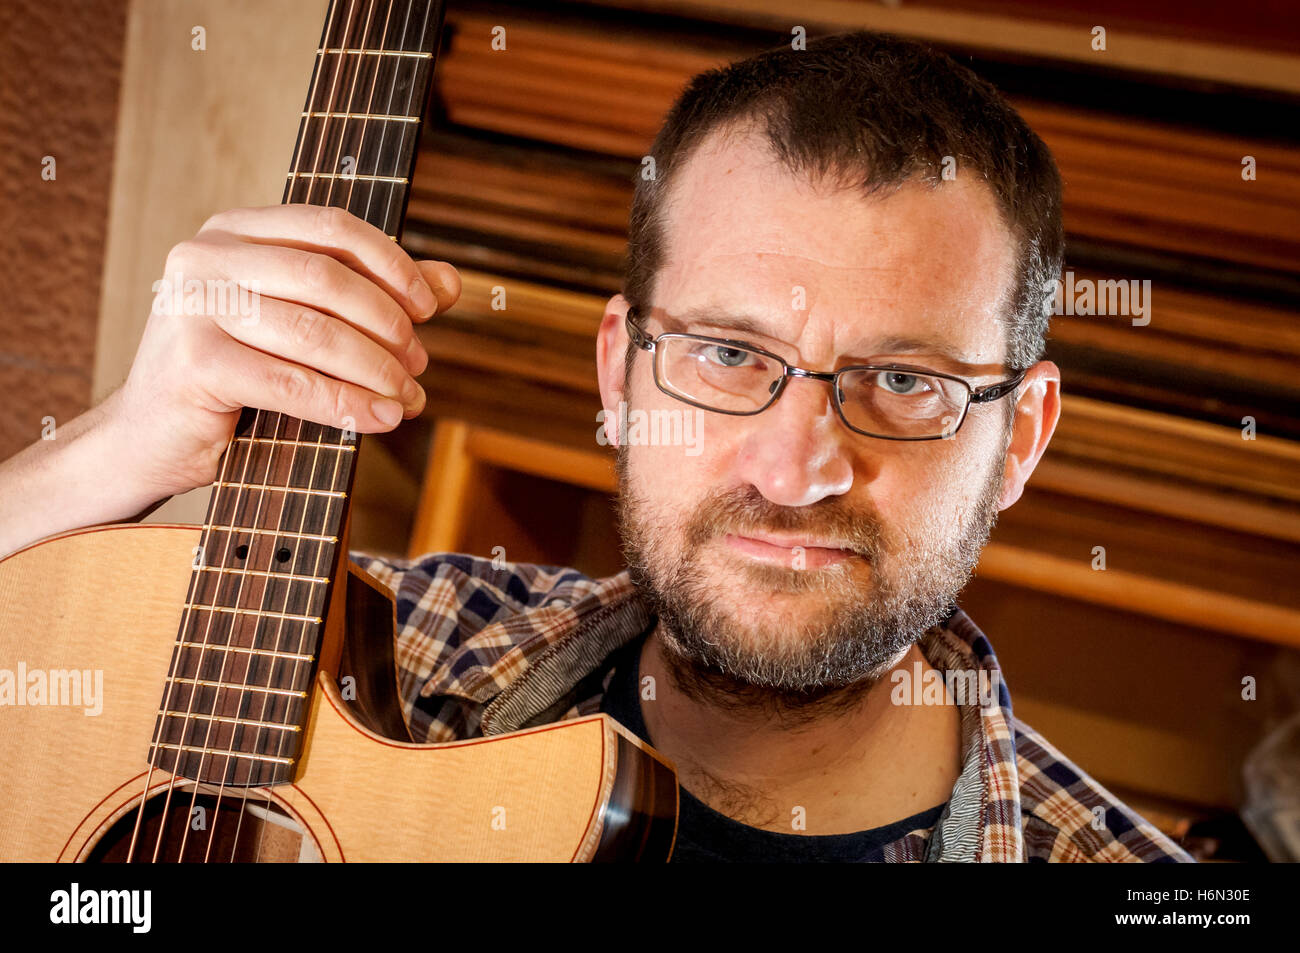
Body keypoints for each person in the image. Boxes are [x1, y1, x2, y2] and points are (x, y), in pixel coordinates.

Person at [0, 31, 1191, 862]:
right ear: (618, 373)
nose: (793, 468)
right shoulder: (386, 656)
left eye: (903, 380)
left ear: (1020, 435)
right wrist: (109, 447)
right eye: (727, 354)